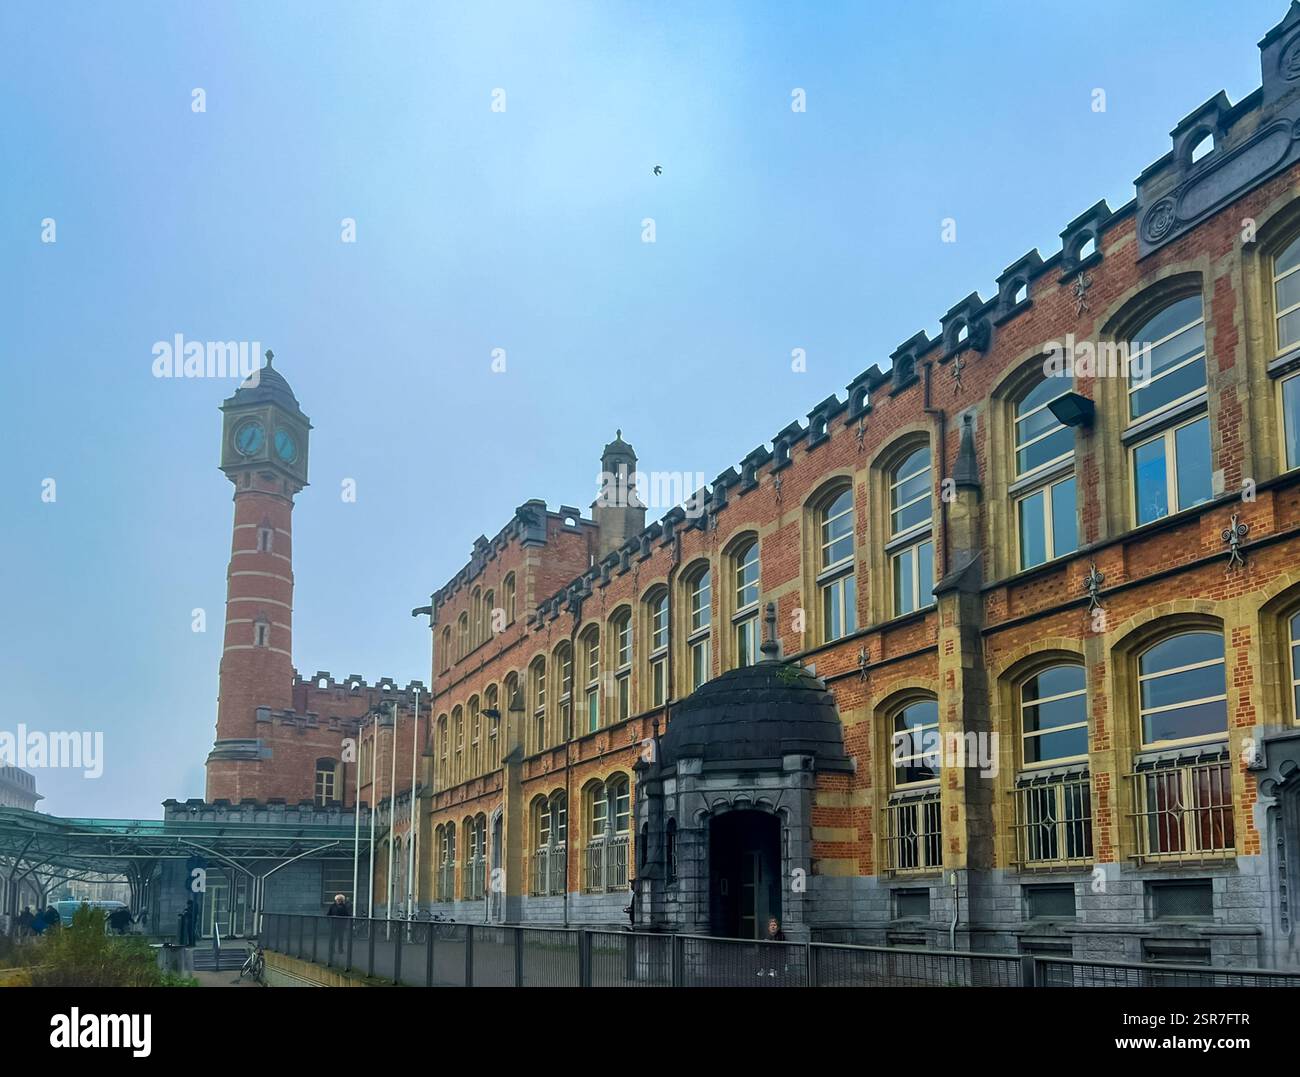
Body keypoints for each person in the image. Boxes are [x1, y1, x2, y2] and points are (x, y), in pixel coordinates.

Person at [326, 893, 351, 960]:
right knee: (332, 938)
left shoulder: (344, 906)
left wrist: (345, 922)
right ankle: (332, 950)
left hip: (341, 925)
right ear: (336, 900)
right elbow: (328, 914)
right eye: (338, 899)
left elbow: (347, 915)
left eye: (340, 899)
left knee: (341, 938)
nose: (339, 900)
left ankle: (340, 950)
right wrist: (330, 922)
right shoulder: (332, 906)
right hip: (333, 925)